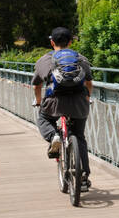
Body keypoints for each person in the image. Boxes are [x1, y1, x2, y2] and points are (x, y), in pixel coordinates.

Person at [32, 27, 94, 191]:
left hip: (54, 103)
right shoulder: (81, 59)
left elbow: (36, 85)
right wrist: (87, 98)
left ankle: (54, 137)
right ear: (71, 42)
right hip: (79, 103)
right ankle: (82, 176)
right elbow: (88, 82)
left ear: (52, 42)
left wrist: (39, 101)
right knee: (79, 136)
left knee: (43, 118)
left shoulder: (43, 60)